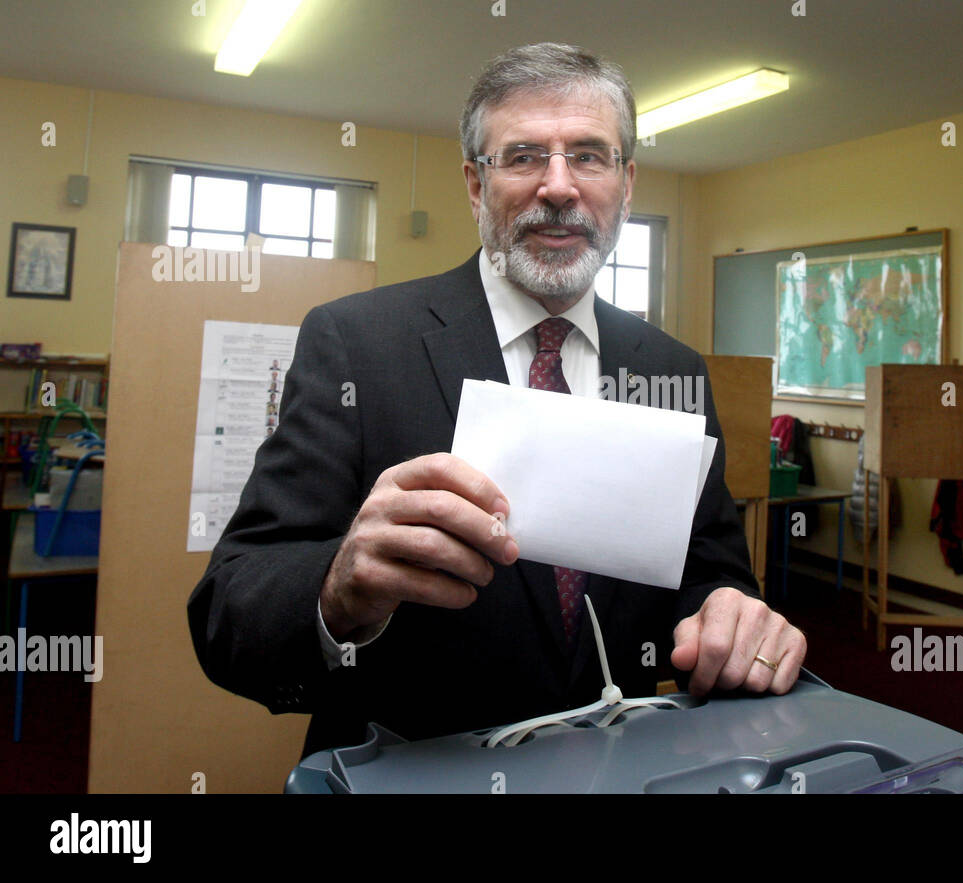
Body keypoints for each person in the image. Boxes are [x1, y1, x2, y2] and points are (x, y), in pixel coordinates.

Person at [188, 43, 806, 757]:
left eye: (589, 155)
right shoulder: (356, 344)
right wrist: (337, 586)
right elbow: (228, 612)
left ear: (626, 185)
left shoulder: (673, 371)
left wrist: (733, 615)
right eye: (522, 157)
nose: (559, 186)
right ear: (476, 185)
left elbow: (710, 573)